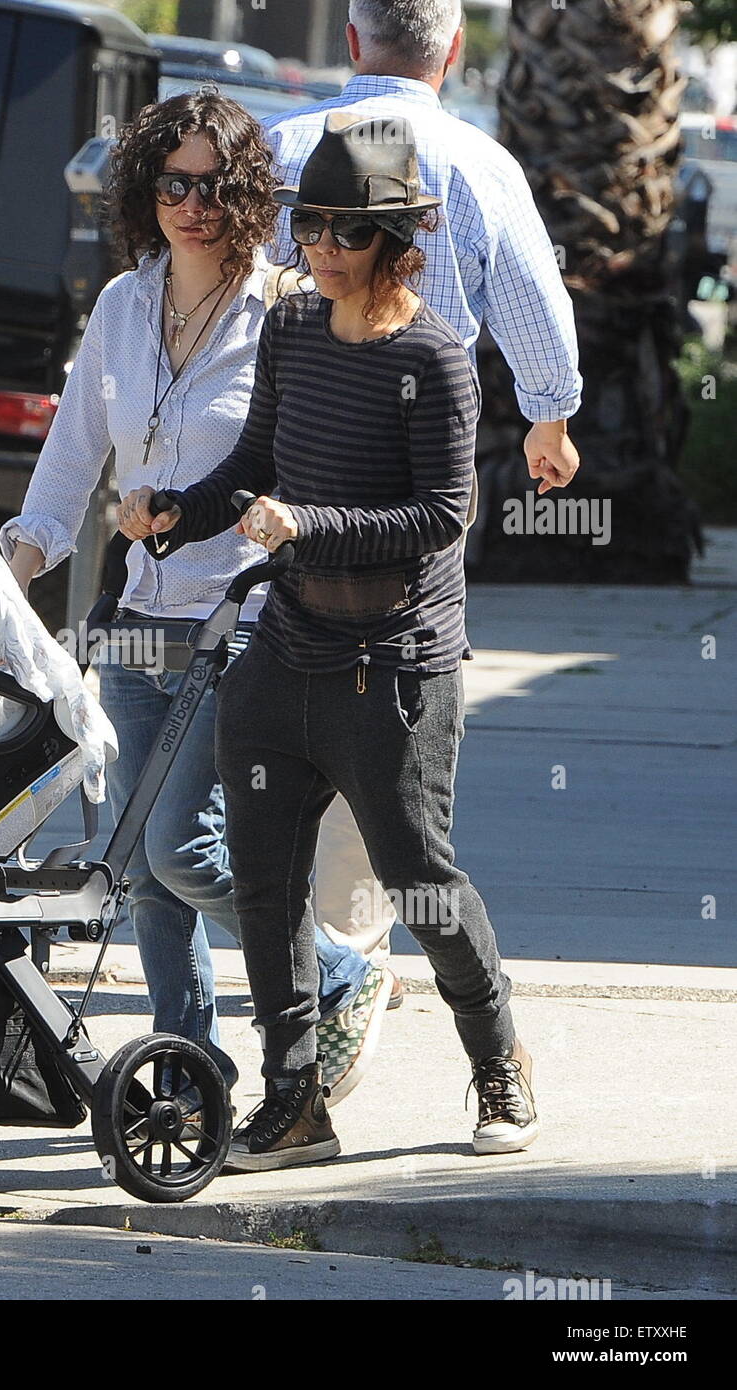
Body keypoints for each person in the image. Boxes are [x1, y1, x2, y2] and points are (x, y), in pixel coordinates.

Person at [129, 113, 538, 1170]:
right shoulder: (293, 330)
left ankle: (495, 1056)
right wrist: (179, 508)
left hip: (395, 667)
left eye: (341, 233)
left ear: (398, 244)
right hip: (287, 647)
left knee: (418, 879)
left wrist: (310, 524)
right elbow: (254, 466)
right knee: (262, 885)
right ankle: (294, 1097)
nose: (315, 248)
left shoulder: (434, 359)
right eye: (306, 225)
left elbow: (441, 516)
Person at [1, 92, 380, 1083]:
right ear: (147, 187)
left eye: (214, 184)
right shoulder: (124, 307)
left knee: (182, 850)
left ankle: (336, 971)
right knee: (140, 871)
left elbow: (306, 470)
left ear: (246, 191)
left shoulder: (285, 311)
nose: (192, 203)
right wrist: (16, 569)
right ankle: (186, 1064)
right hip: (134, 622)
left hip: (245, 620)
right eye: (174, 181)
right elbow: (69, 462)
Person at [262, 0, 584, 1018]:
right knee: (381, 693)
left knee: (286, 684)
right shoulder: (476, 164)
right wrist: (547, 419)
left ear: (351, 42)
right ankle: (353, 945)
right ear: (448, 51)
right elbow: (535, 302)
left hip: (287, 458)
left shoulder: (282, 146)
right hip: (415, 481)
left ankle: (315, 947)